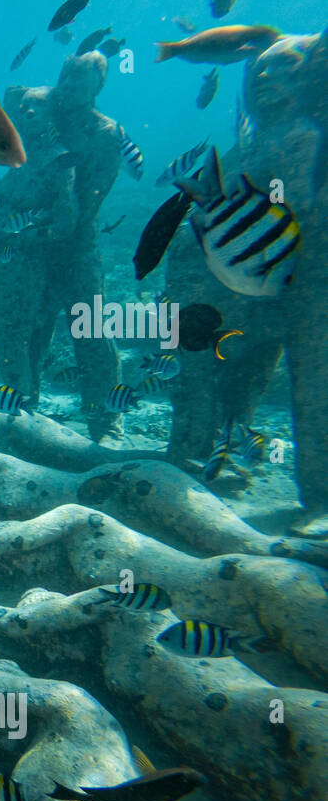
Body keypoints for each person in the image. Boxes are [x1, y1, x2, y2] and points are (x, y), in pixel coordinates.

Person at [163, 27, 328, 534]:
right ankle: (206, 453)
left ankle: (320, 496)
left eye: (287, 66)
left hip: (312, 279)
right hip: (244, 279)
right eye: (261, 70)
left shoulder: (312, 136)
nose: (270, 78)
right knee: (237, 360)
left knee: (316, 379)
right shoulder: (249, 144)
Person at [0, 53, 124, 440]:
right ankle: (28, 415)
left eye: (82, 80)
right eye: (66, 77)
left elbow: (90, 200)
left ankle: (106, 419)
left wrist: (41, 227)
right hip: (34, 250)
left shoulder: (106, 133)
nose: (71, 86)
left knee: (90, 332)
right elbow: (13, 98)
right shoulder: (49, 114)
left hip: (75, 248)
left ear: (99, 86)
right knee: (32, 331)